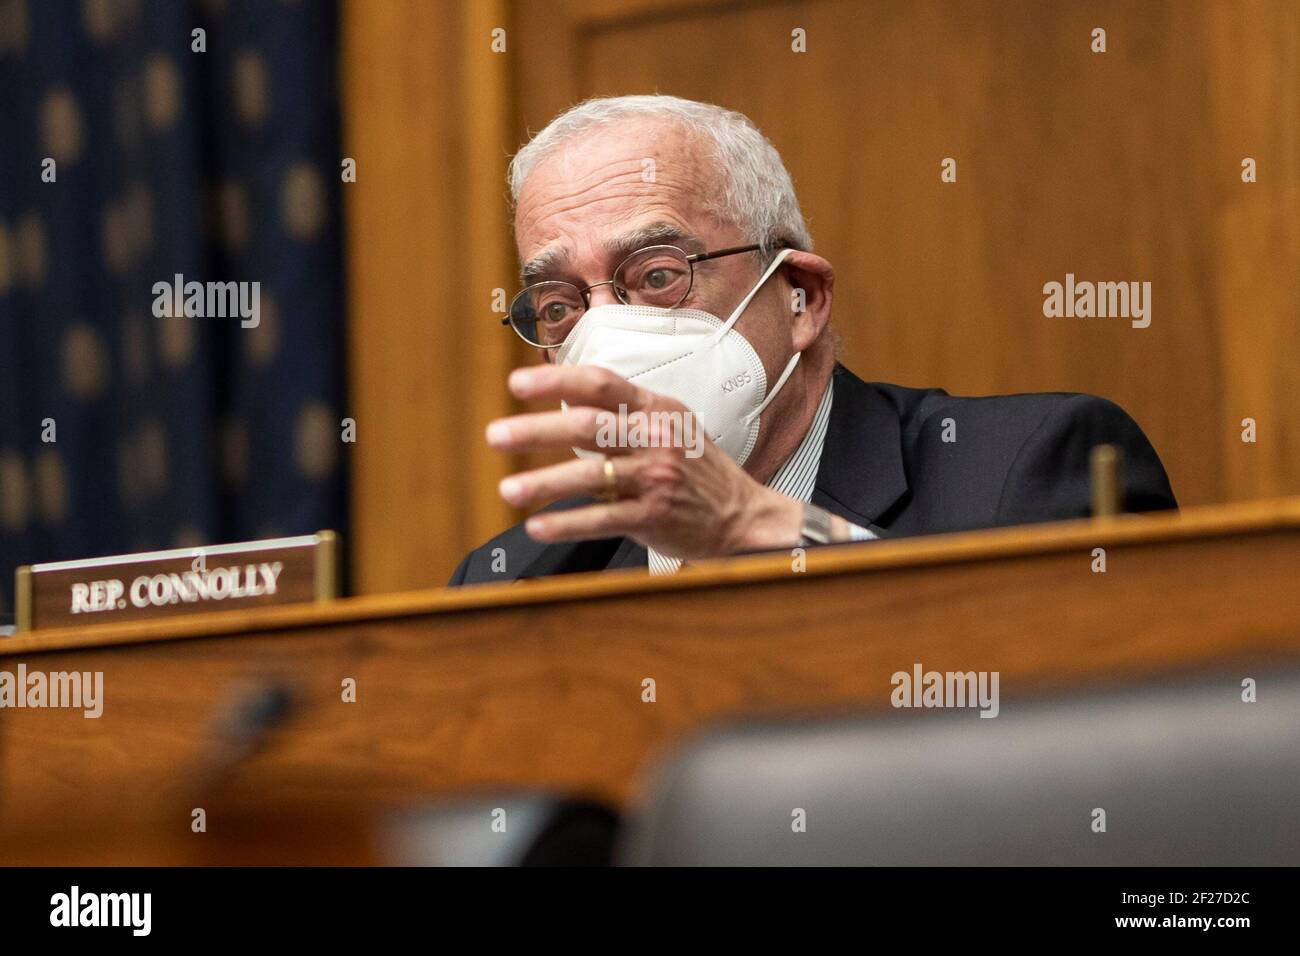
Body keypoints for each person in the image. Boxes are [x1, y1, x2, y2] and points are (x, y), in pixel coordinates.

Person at [449, 95, 1175, 585]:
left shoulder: (1028, 474)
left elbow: (1084, 749)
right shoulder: (517, 577)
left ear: (803, 298)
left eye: (659, 274)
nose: (603, 331)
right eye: (557, 305)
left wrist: (761, 525)